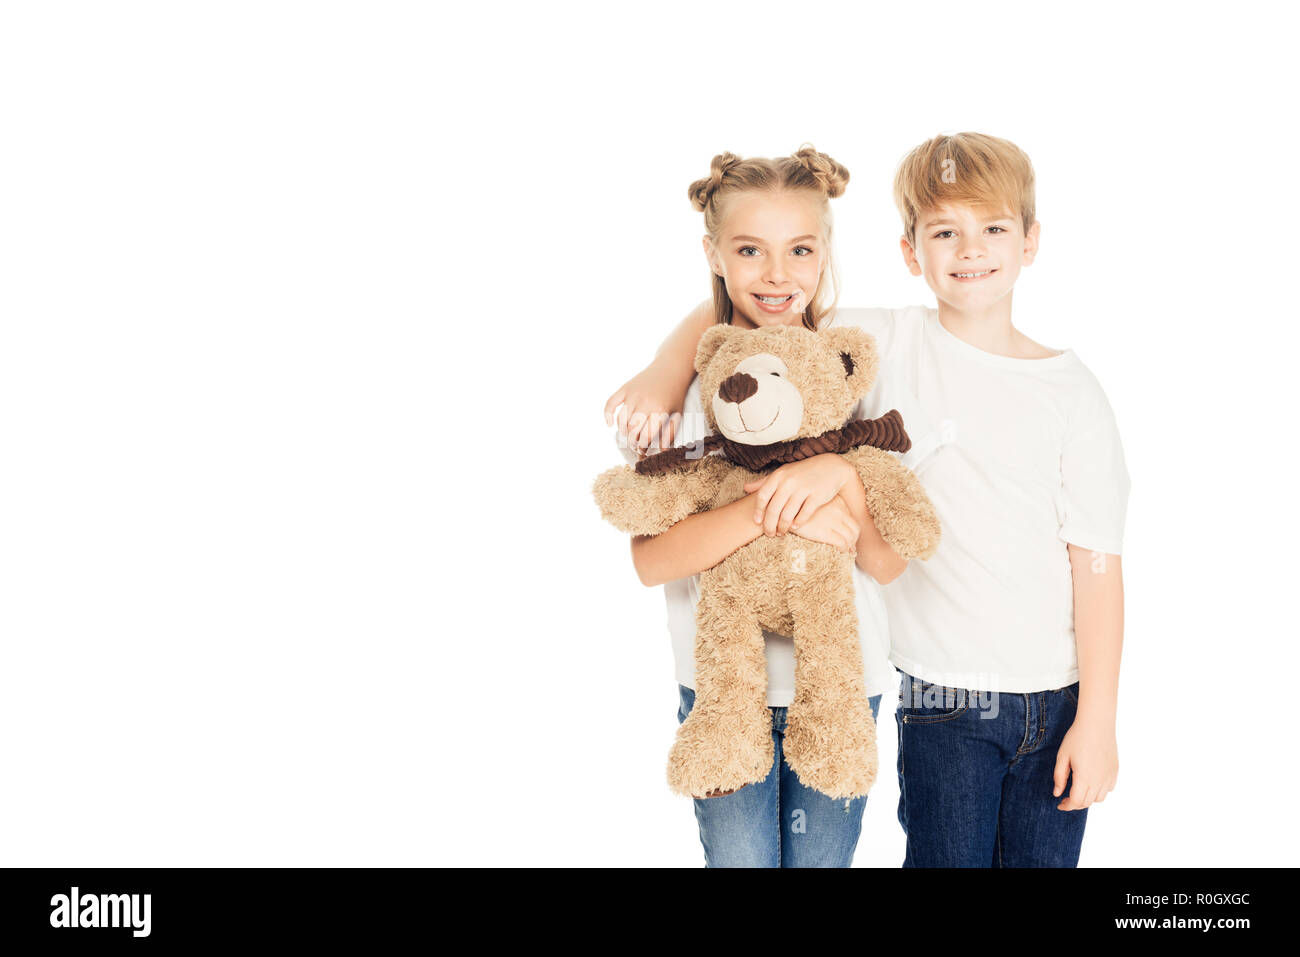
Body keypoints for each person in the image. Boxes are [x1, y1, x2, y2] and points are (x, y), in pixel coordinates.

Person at [605, 132, 1129, 867]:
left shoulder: (861, 357)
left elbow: (1080, 557)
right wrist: (670, 369)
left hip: (875, 682)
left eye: (993, 230)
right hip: (821, 689)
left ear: (1031, 240)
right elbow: (753, 311)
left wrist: (843, 481)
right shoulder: (759, 377)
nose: (970, 250)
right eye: (945, 232)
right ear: (912, 251)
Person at [605, 146, 933, 867]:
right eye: (749, 250)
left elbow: (883, 560)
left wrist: (836, 475)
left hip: (843, 686)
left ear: (826, 251)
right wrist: (770, 505)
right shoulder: (697, 390)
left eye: (801, 249)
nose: (777, 274)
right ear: (713, 254)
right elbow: (652, 559)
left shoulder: (853, 360)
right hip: (721, 687)